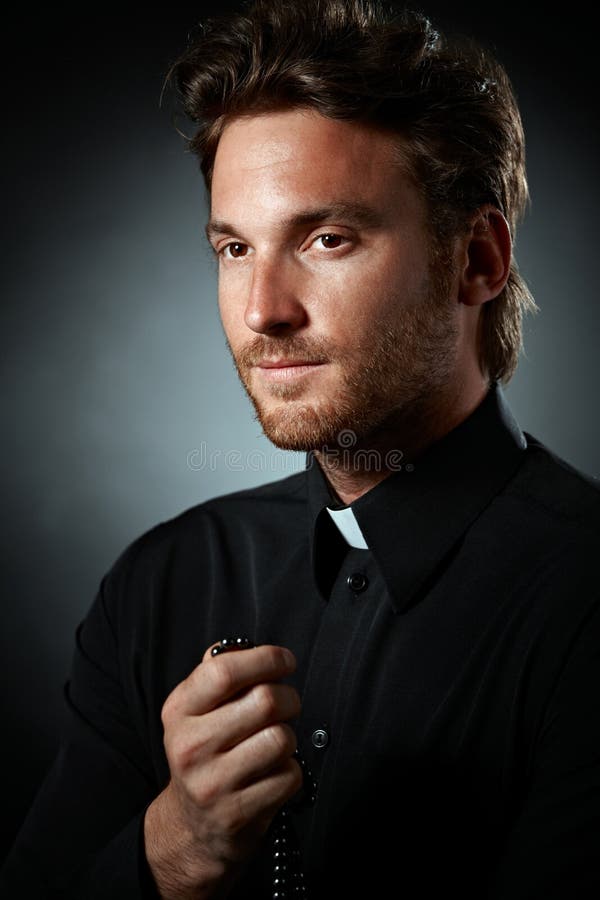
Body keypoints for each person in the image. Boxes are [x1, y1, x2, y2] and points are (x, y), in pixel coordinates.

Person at [2, 0, 599, 897]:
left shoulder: (586, 604)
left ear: (478, 259)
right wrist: (172, 848)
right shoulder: (161, 582)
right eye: (235, 247)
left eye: (327, 239)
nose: (262, 311)